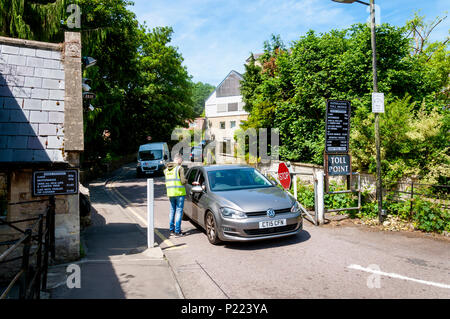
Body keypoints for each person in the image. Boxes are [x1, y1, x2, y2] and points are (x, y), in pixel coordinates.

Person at [164, 154, 187, 237]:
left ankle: (171, 229)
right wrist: (187, 181)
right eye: (181, 160)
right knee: (179, 210)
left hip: (170, 193)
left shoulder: (166, 170)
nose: (181, 162)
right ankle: (177, 231)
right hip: (179, 192)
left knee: (172, 210)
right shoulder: (179, 168)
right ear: (178, 160)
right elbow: (183, 181)